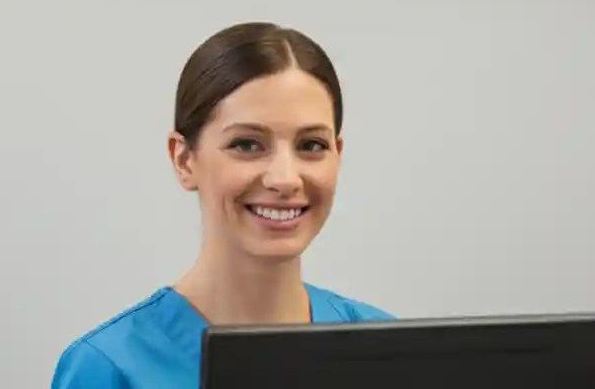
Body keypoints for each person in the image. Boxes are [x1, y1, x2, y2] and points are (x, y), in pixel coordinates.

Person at [51, 22, 392, 388]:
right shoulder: (109, 370)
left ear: (337, 155)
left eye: (311, 145)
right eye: (246, 144)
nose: (285, 179)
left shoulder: (387, 352)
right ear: (184, 159)